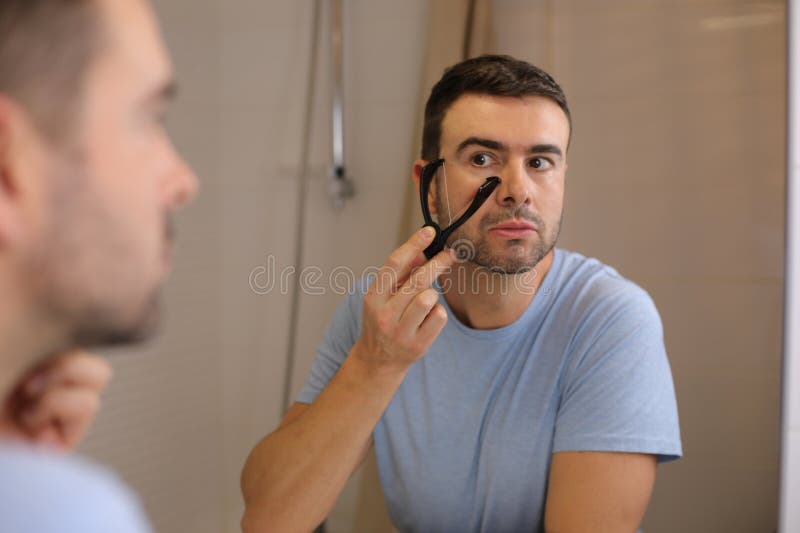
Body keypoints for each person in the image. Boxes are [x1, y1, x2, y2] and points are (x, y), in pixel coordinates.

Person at [241, 54, 682, 533]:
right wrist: (375, 364)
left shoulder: (611, 320)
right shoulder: (383, 313)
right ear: (429, 187)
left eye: (540, 162)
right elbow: (268, 519)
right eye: (482, 159)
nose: (518, 190)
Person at [0, 0, 197, 531]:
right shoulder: (76, 515)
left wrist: (20, 463)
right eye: (149, 118)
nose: (184, 182)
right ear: (5, 165)